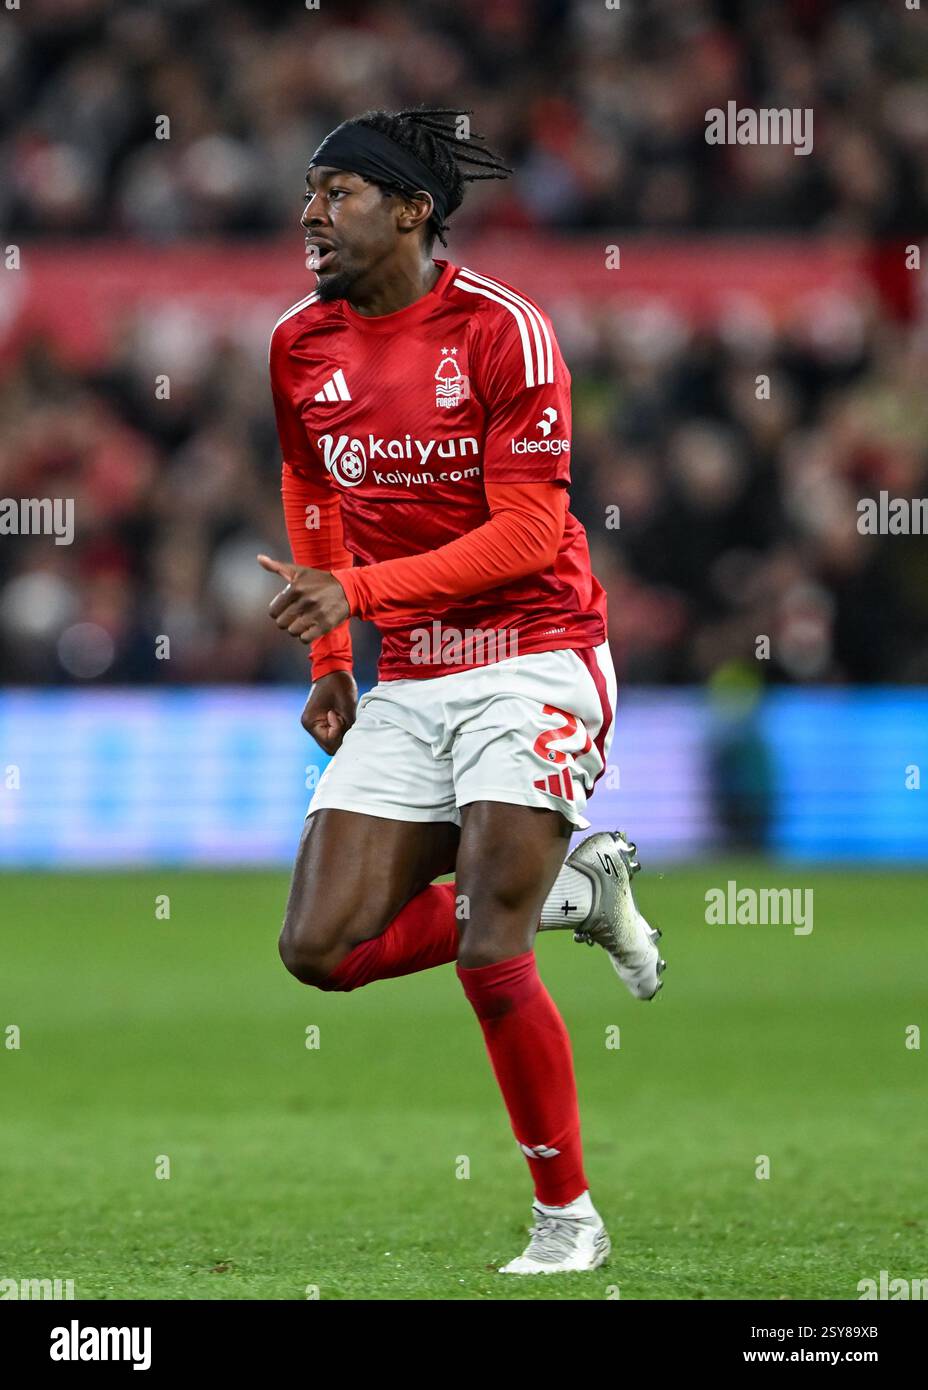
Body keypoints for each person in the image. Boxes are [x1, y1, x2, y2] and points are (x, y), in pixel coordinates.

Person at [258, 106, 665, 1275]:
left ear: (410, 208)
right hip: (408, 669)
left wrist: (359, 594)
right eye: (306, 193)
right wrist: (335, 662)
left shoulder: (505, 333)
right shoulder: (298, 343)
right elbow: (309, 484)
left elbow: (533, 532)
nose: (309, 216)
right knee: (321, 949)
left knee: (490, 947)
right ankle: (573, 895)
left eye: (334, 192)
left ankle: (565, 1218)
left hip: (535, 651)